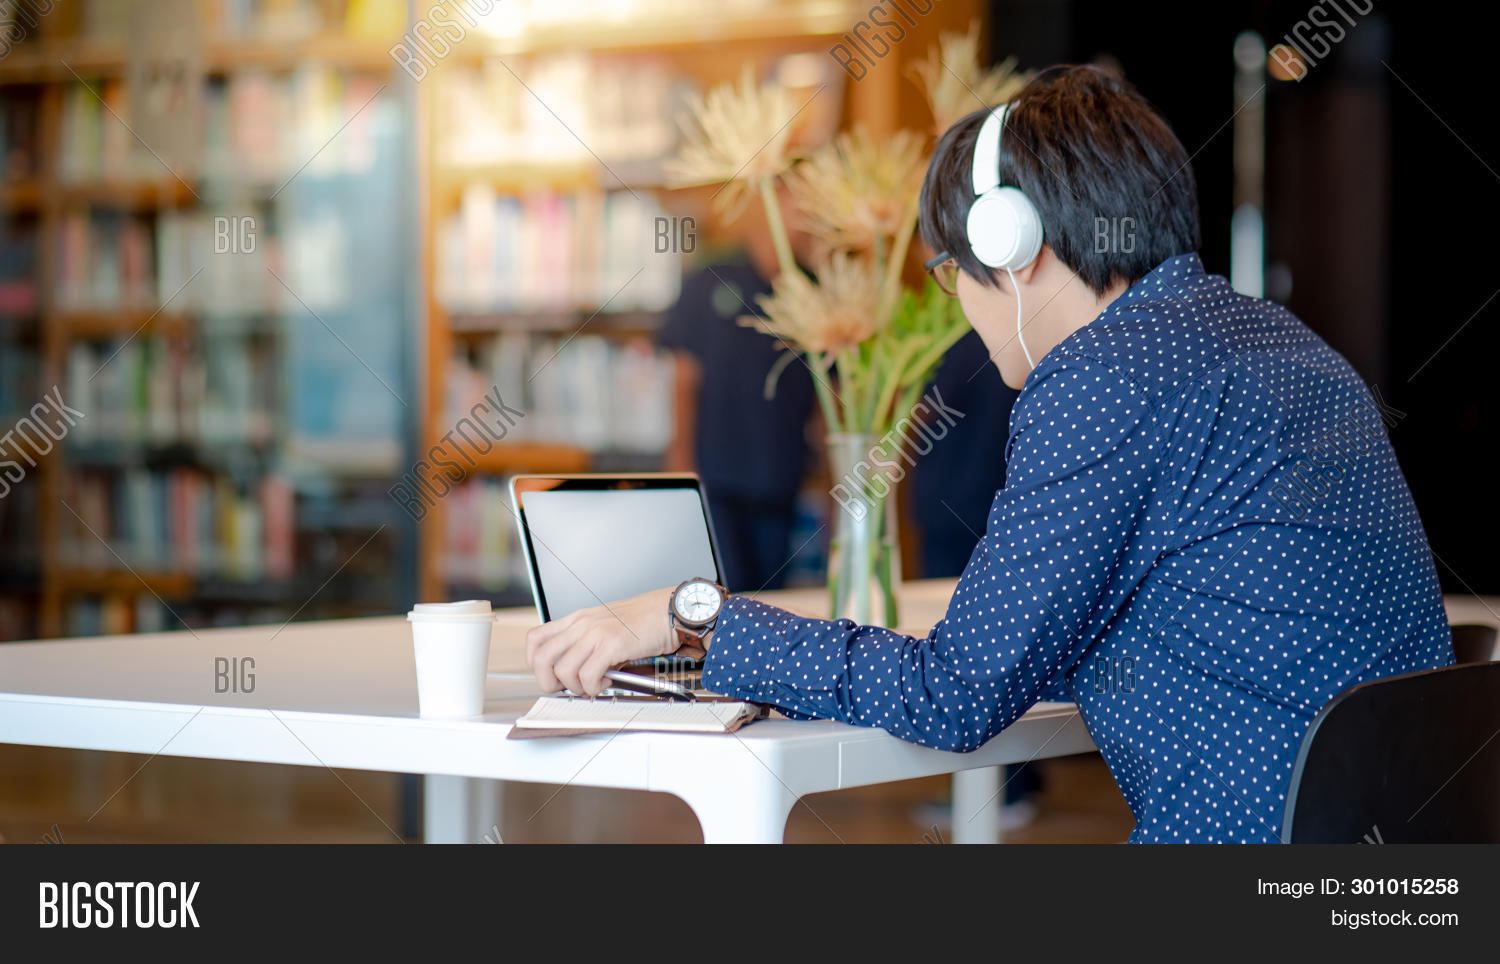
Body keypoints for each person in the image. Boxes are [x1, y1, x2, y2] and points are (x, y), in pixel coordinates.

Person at [527, 65, 1454, 843]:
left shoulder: (1106, 375)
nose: (960, 303)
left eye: (949, 270)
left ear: (1010, 242)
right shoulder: (1282, 341)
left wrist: (696, 618)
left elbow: (954, 699)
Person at [657, 208, 815, 593]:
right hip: (715, 479)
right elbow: (683, 379)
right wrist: (680, 462)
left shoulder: (812, 291)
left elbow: (832, 395)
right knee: (718, 592)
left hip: (780, 478)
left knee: (770, 595)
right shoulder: (709, 280)